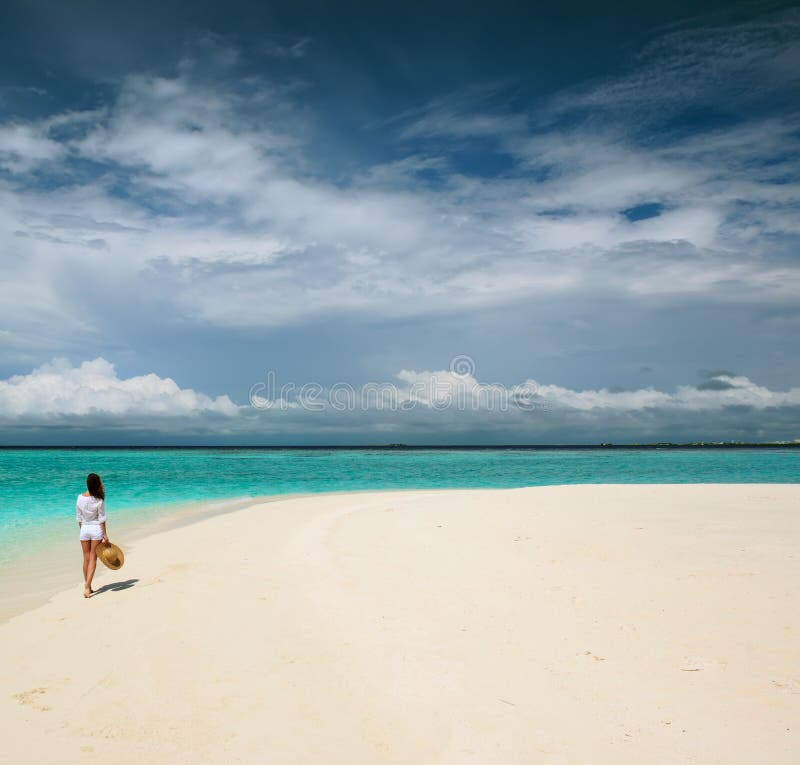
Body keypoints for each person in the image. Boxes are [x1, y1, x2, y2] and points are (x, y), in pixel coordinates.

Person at [77, 473, 110, 598]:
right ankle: (87, 587)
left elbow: (79, 517)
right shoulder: (99, 499)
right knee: (93, 559)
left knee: (86, 558)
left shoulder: (79, 497)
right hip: (96, 529)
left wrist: (82, 529)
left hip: (84, 529)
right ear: (97, 484)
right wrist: (105, 535)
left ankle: (88, 586)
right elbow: (102, 519)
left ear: (87, 483)